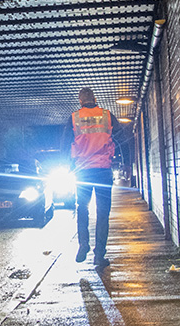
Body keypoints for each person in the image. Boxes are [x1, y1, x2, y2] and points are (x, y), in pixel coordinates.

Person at [70, 87, 116, 268]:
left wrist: (68, 165)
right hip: (103, 170)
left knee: (82, 208)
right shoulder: (107, 116)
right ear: (94, 98)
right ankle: (99, 255)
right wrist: (122, 159)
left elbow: (65, 142)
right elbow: (121, 136)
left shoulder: (74, 118)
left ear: (80, 101)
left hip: (83, 171)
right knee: (103, 213)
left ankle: (83, 244)